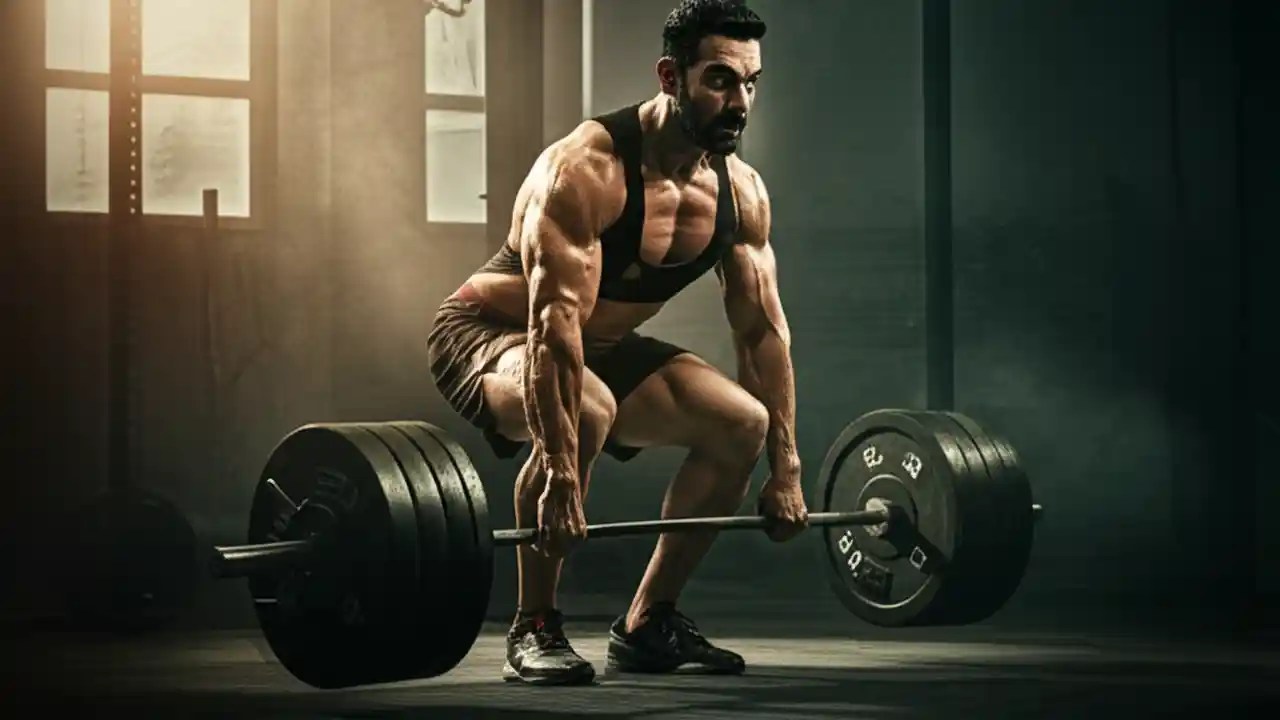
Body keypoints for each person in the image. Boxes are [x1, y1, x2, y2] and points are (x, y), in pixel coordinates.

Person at [427, 0, 807, 685]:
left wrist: (788, 468)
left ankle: (648, 622)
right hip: (488, 334)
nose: (739, 102)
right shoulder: (586, 169)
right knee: (587, 409)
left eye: (750, 83)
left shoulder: (740, 193)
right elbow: (552, 329)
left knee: (741, 424)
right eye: (720, 80)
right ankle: (534, 625)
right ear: (671, 75)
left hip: (594, 344)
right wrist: (560, 477)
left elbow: (761, 333)